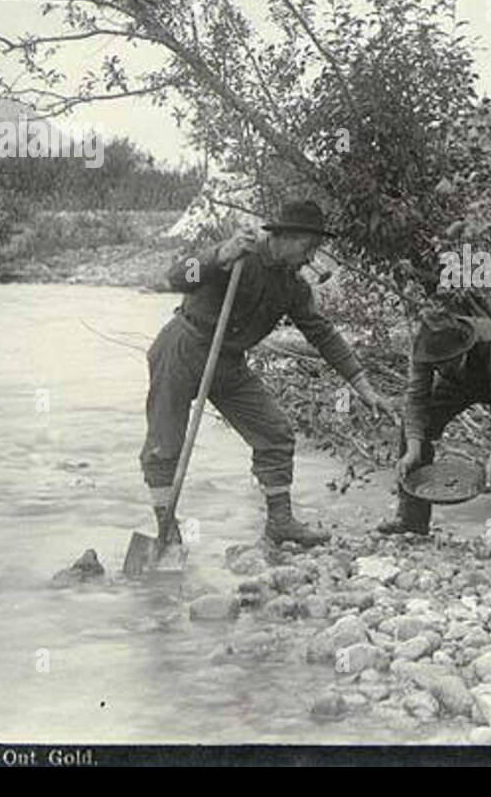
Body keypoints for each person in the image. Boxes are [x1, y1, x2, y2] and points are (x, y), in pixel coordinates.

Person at [140, 198, 393, 550]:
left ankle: (280, 523)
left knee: (274, 432)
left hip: (227, 360)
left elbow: (323, 334)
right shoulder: (239, 255)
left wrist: (362, 386)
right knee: (164, 444)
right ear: (285, 237)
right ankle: (166, 531)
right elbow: (177, 277)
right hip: (183, 346)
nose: (310, 258)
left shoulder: (293, 287)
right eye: (308, 247)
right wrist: (220, 257)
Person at [380, 308, 491, 563]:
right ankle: (412, 520)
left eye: (446, 361)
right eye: (436, 363)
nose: (439, 366)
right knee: (416, 431)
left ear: (463, 349)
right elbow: (416, 402)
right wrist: (412, 448)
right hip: (458, 383)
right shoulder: (424, 349)